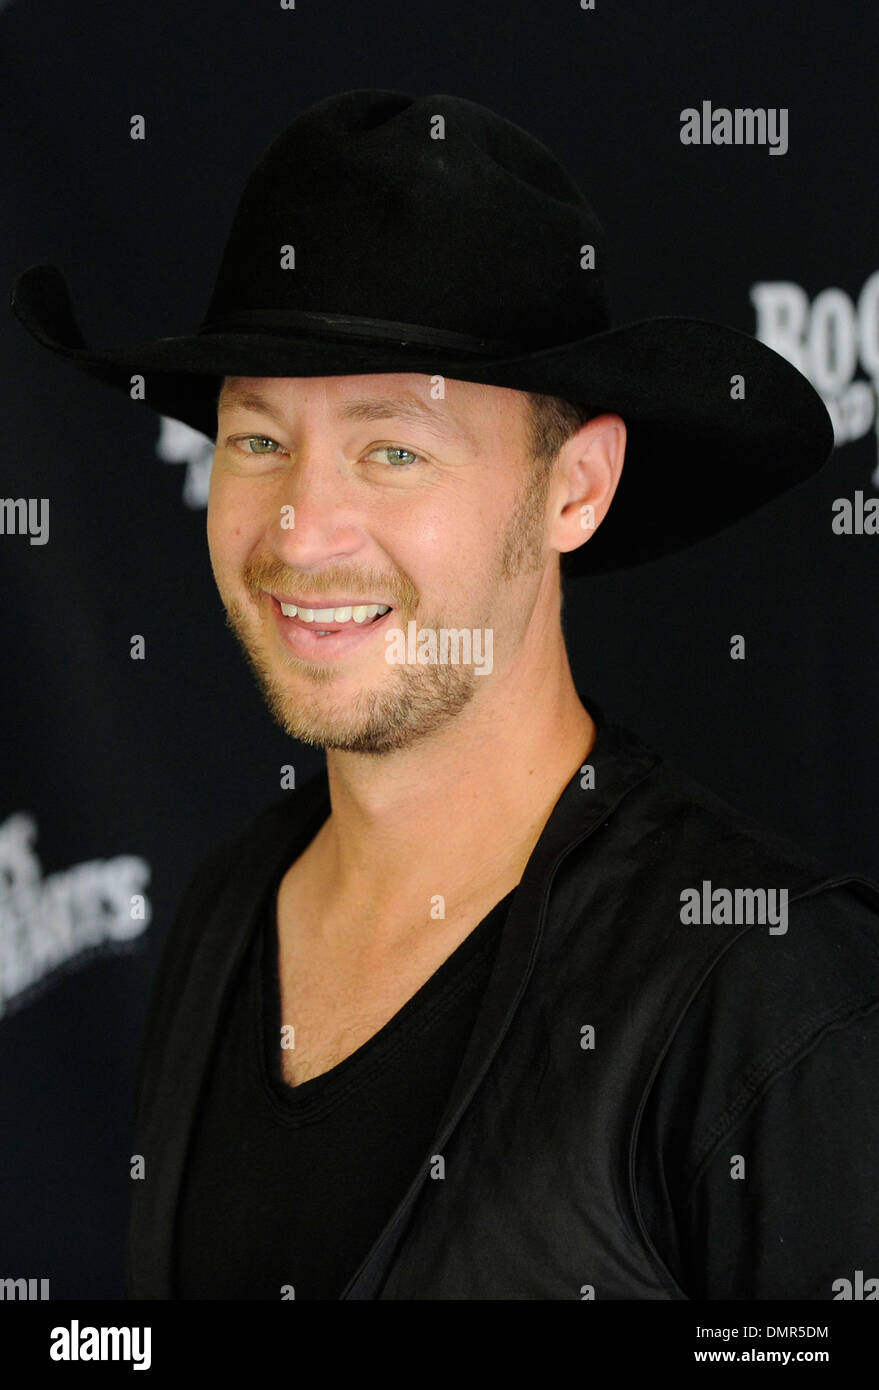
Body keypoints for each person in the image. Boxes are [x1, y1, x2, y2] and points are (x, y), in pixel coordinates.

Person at [11, 88, 879, 1301]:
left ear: (576, 488)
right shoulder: (225, 919)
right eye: (258, 441)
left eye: (393, 449)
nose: (301, 531)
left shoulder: (768, 998)